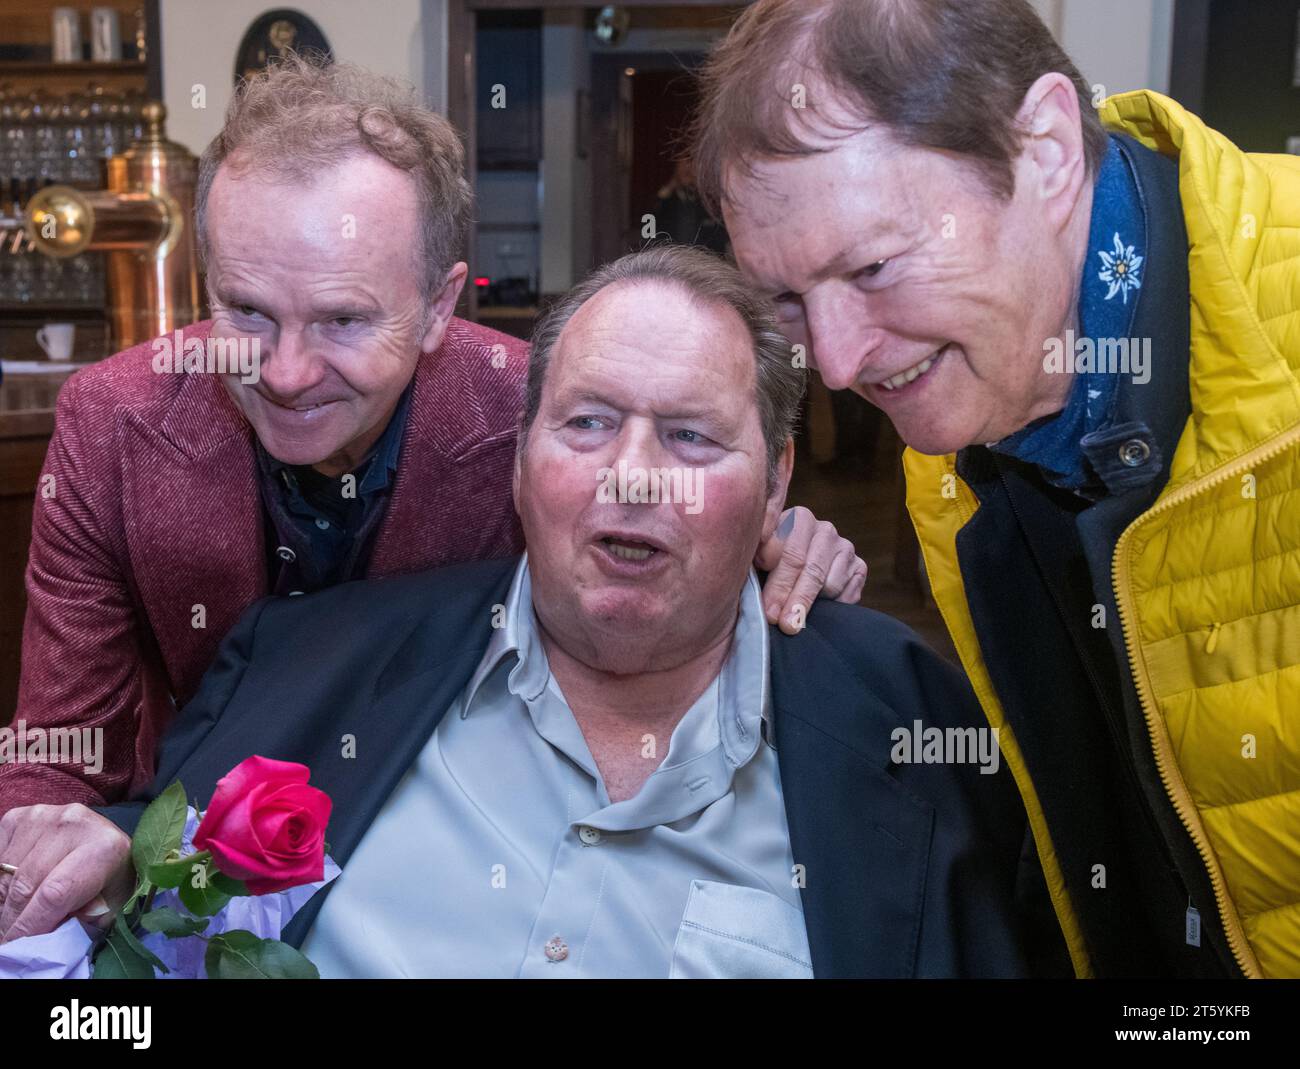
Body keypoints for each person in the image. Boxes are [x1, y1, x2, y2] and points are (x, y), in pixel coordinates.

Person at [0, 247, 1027, 978]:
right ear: (522, 463)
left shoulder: (906, 732)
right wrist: (101, 857)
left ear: (776, 482)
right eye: (586, 423)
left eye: (691, 439)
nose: (634, 479)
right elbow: (147, 888)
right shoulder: (309, 660)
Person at [1, 57, 865, 819]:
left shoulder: (542, 410)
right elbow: (59, 753)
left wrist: (782, 538)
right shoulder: (110, 422)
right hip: (204, 839)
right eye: (248, 312)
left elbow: (677, 499)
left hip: (461, 833)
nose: (288, 372)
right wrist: (42, 859)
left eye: (343, 320)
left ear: (440, 306)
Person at [690, 0, 1300, 978]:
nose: (836, 364)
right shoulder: (965, 415)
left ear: (1047, 149)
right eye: (789, 300)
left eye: (876, 265)